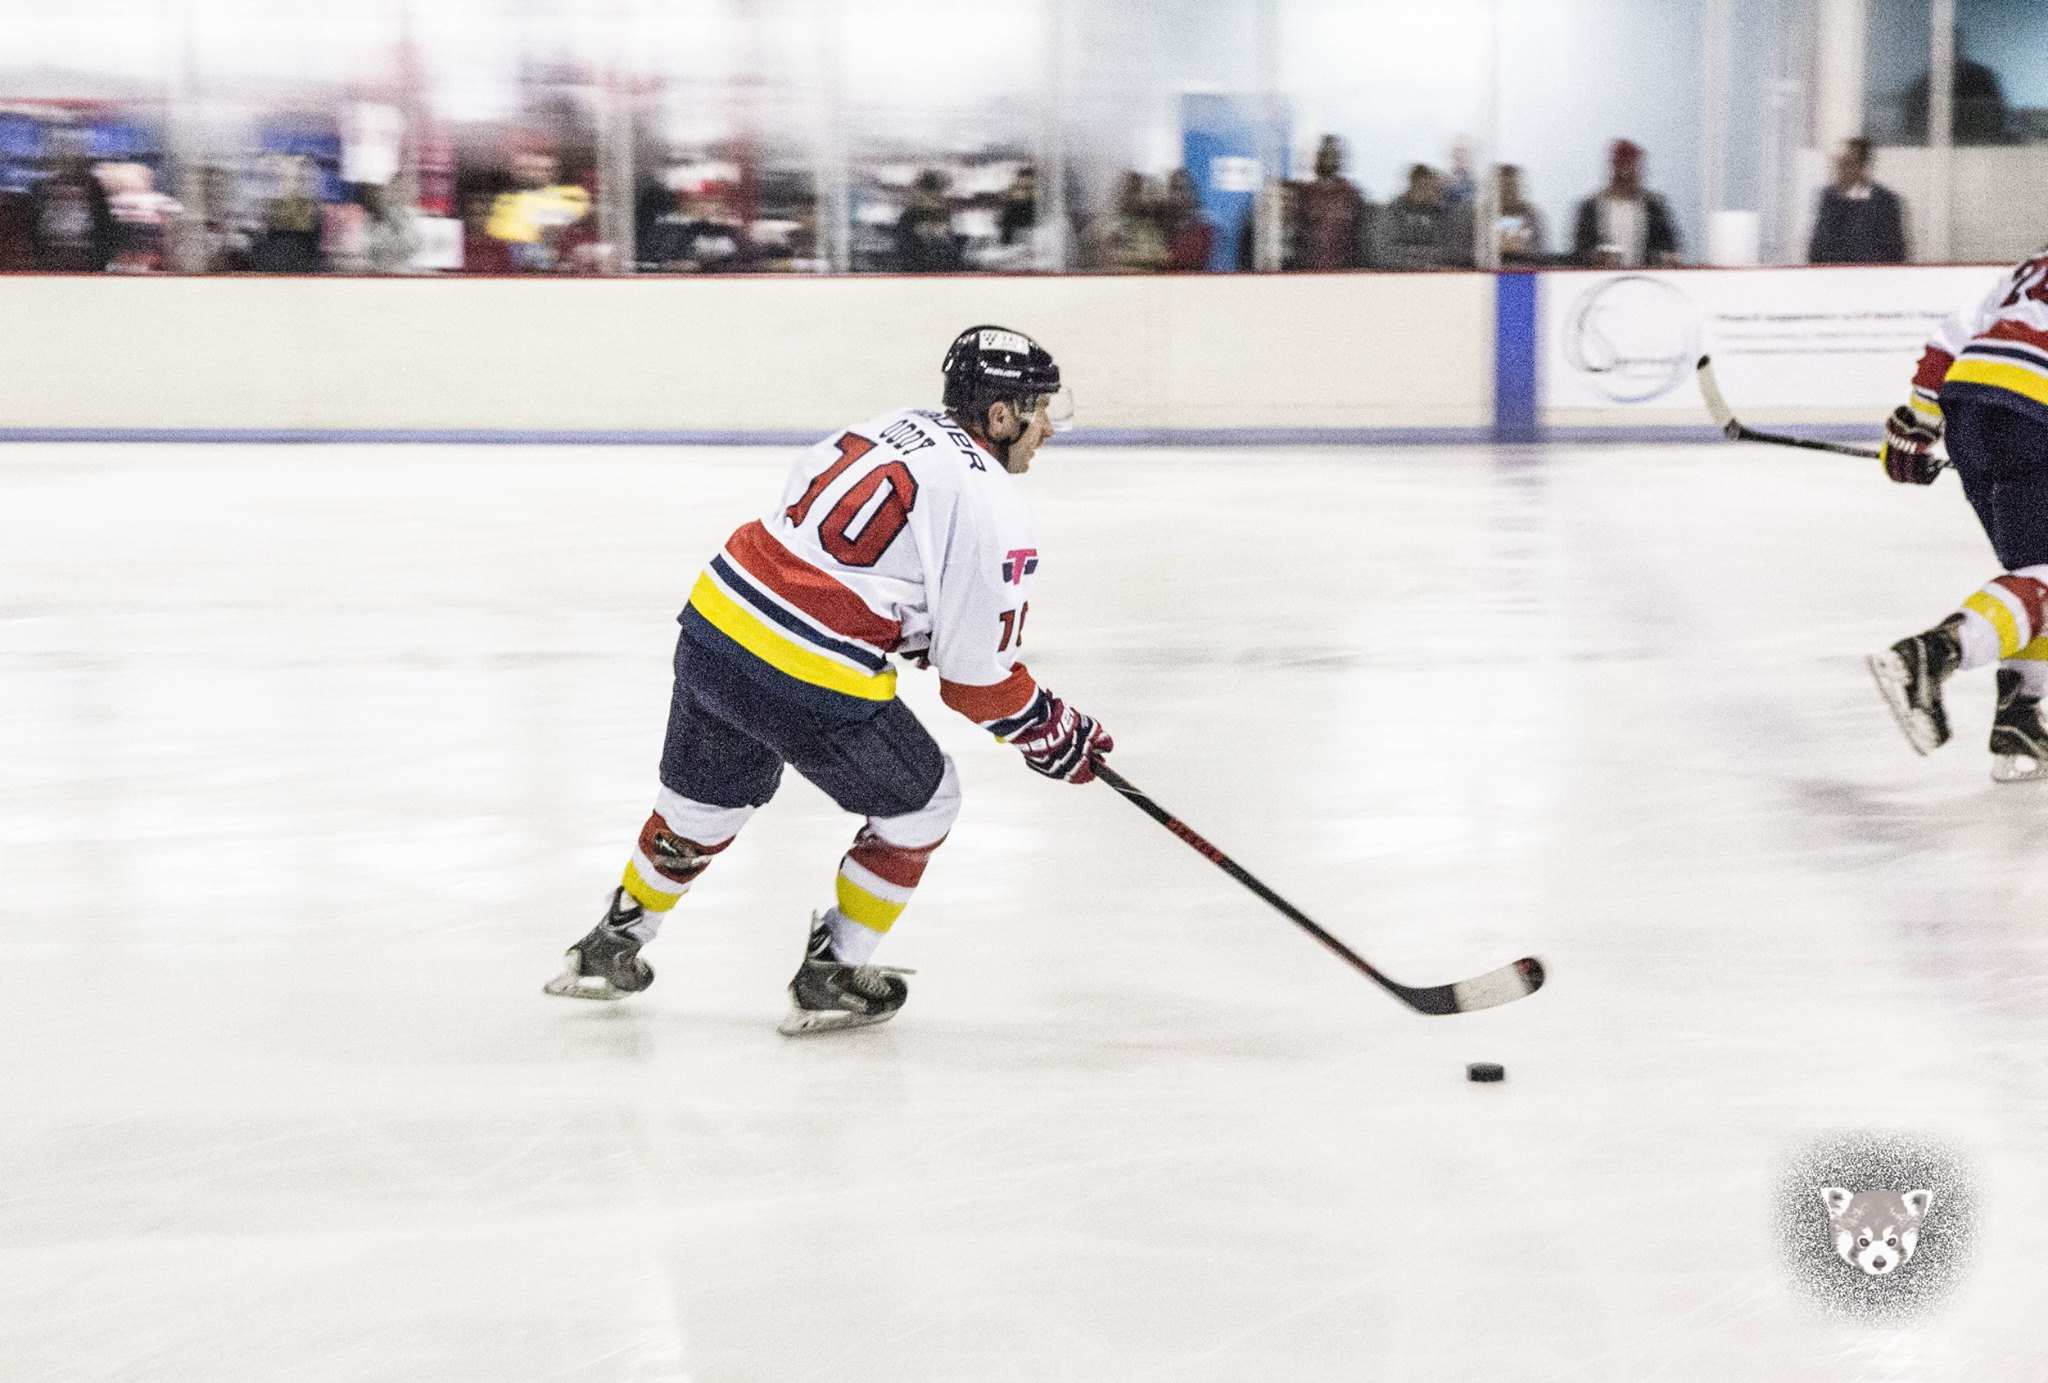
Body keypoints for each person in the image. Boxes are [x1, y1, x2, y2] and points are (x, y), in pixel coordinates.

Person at [545, 326, 1113, 1033]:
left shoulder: (888, 427)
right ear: (999, 417)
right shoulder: (990, 498)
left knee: (701, 806)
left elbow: (828, 547)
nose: (1048, 427)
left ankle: (610, 944)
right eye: (1038, 408)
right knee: (926, 802)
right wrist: (1053, 731)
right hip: (806, 672)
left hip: (715, 628)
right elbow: (975, 680)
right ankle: (833, 971)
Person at [1868, 252, 2048, 781]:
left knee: (2037, 574)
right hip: (2035, 409)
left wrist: (1917, 426)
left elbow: (1953, 334)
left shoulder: (2036, 264)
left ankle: (2018, 717)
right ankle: (1934, 655)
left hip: (1968, 397)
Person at [1572, 139, 1681, 268]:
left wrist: (1665, 258)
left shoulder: (1654, 207)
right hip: (1602, 282)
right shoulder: (1590, 208)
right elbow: (1580, 250)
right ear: (1614, 169)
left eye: (1633, 166)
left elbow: (1669, 246)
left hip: (1647, 281)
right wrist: (1597, 258)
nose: (1629, 172)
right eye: (1623, 166)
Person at [1808, 138, 1907, 265]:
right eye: (1838, 164)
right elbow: (1816, 250)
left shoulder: (1886, 202)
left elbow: (1894, 253)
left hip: (1872, 278)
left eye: (1846, 164)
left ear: (1862, 168)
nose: (1839, 170)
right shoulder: (1828, 198)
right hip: (1832, 278)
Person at [1292, 135, 1369, 271]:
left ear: (1340, 159)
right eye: (1324, 154)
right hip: (1308, 272)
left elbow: (1362, 237)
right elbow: (1296, 236)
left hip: (1344, 272)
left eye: (1333, 154)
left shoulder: (1351, 195)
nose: (1328, 159)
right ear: (1317, 158)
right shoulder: (1305, 194)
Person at [1493, 163, 1548, 266]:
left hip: (1525, 269)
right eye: (1504, 186)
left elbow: (1541, 250)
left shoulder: (1532, 215)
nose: (1508, 190)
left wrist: (1520, 248)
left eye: (1511, 185)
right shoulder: (1484, 216)